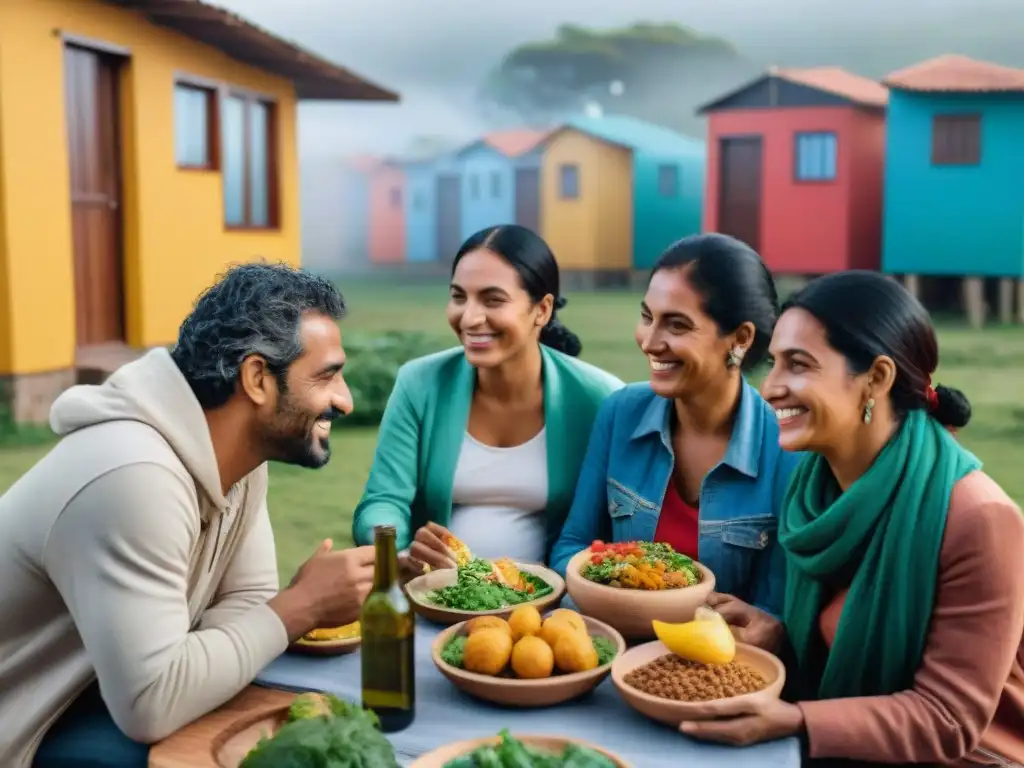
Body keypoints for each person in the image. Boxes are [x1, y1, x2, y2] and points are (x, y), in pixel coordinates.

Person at [0, 263, 378, 768]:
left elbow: (249, 597)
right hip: (28, 725)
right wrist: (303, 606)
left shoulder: (238, 462)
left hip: (91, 698)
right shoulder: (133, 475)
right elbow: (152, 705)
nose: (345, 400)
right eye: (327, 375)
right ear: (258, 378)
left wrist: (201, 659)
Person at [681, 271, 1024, 767]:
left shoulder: (979, 519)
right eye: (773, 363)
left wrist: (799, 721)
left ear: (877, 379)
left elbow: (949, 719)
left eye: (798, 365)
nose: (771, 387)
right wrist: (778, 636)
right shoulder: (813, 492)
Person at [550, 233, 801, 616]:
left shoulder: (787, 448)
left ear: (740, 338)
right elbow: (572, 546)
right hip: (618, 645)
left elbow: (776, 607)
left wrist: (764, 625)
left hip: (725, 664)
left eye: (677, 325)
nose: (650, 341)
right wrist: (621, 585)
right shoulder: (620, 413)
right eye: (647, 317)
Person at [351, 224, 623, 573]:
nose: (470, 317)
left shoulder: (598, 398)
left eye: (493, 299)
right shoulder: (419, 384)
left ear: (541, 310)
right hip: (436, 595)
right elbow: (383, 501)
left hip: (551, 605)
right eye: (459, 296)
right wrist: (396, 550)